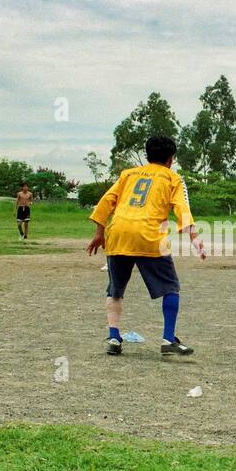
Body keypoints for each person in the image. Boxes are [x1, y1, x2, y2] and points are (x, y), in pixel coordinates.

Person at [87, 135, 206, 357]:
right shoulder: (173, 178)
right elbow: (182, 207)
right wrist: (193, 238)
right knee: (171, 287)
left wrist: (99, 233)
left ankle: (114, 336)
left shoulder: (127, 174)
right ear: (171, 159)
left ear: (147, 155)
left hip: (118, 233)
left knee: (115, 289)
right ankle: (168, 339)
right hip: (150, 236)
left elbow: (106, 201)